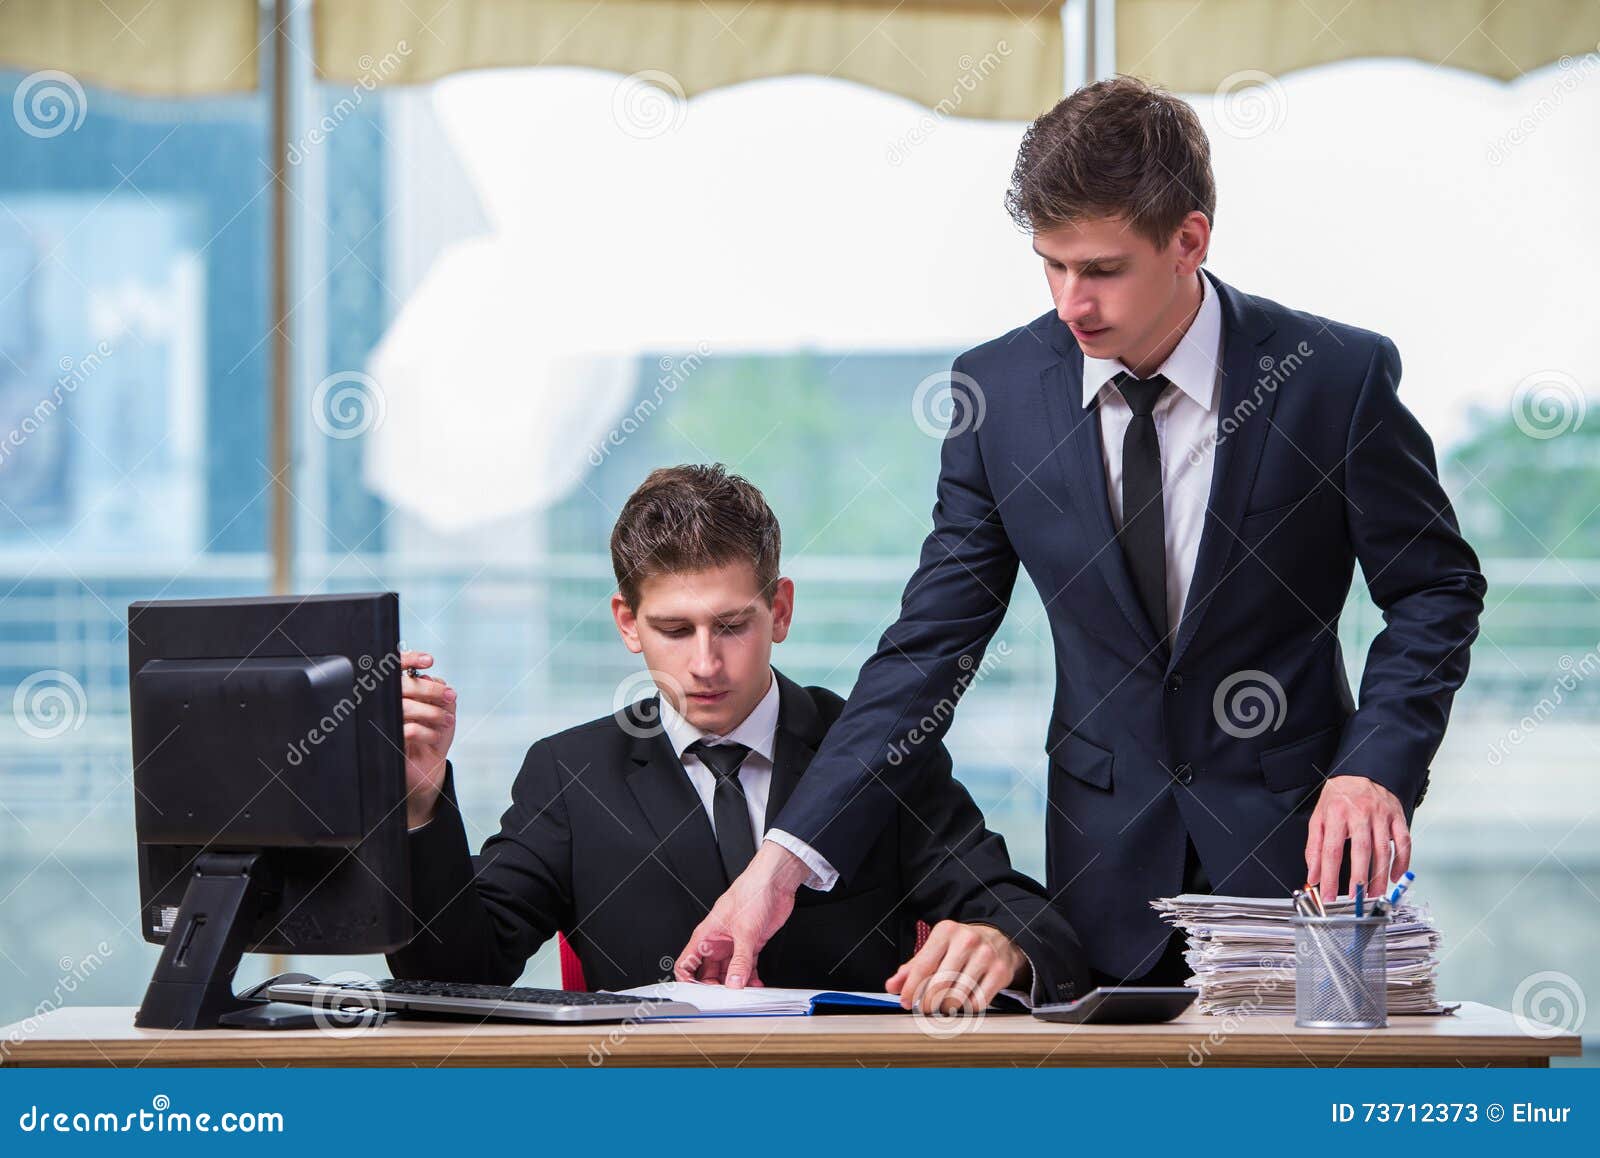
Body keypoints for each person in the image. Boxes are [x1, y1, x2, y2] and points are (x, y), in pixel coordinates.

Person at [677, 75, 1486, 991]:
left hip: (1300, 854)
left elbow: (1435, 589)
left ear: (1188, 241)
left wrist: (1373, 768)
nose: (1071, 301)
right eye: (1051, 265)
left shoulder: (1330, 378)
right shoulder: (1000, 396)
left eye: (1100, 269)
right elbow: (928, 651)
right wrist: (780, 862)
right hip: (1106, 876)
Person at [390, 464, 1091, 1012]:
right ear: (627, 624)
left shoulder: (874, 752)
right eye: (673, 630)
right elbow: (455, 974)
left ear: (779, 610)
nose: (705, 664)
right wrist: (420, 806)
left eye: (731, 625)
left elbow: (1041, 926)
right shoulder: (571, 774)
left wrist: (1005, 946)